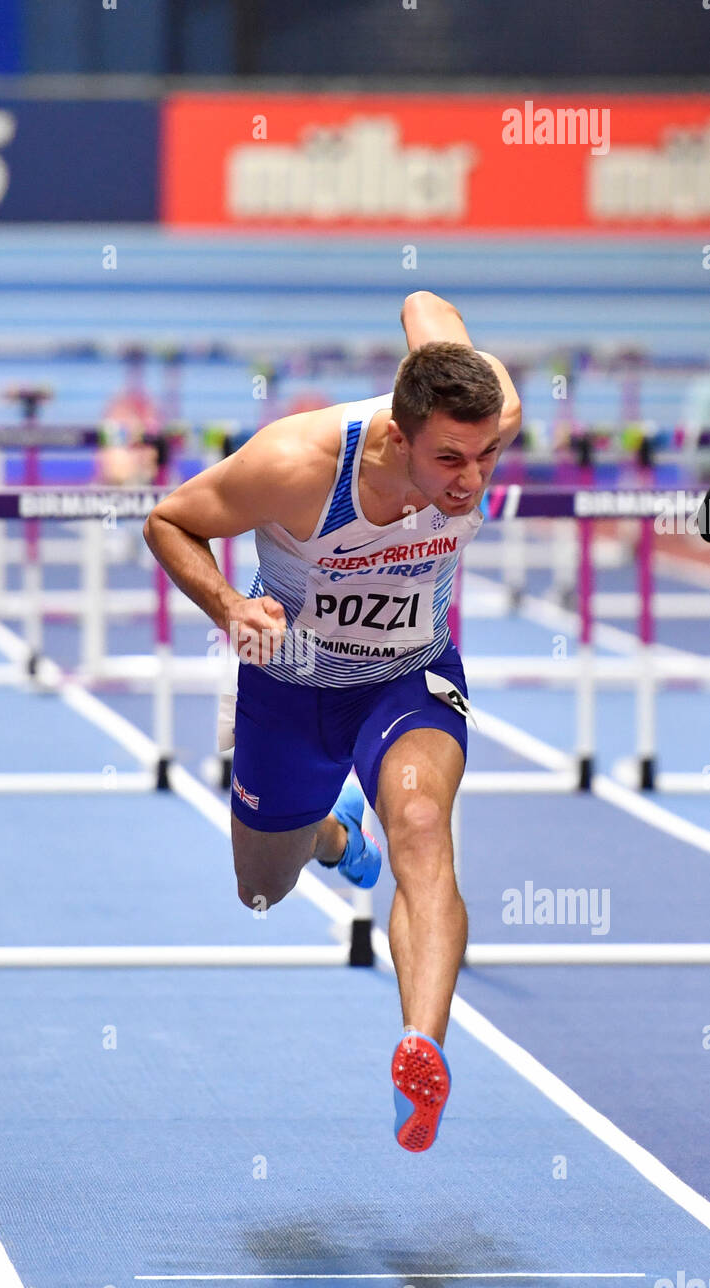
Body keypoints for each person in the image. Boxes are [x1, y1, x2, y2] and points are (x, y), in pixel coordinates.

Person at [144, 292, 522, 1151]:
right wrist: (230, 606)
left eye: (489, 454)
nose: (471, 481)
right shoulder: (296, 464)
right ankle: (326, 834)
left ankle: (419, 1049)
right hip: (290, 685)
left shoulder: (482, 402)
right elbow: (169, 521)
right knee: (259, 890)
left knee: (422, 825)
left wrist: (424, 311)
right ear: (397, 436)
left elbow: (425, 303)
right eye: (451, 459)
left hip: (410, 676)